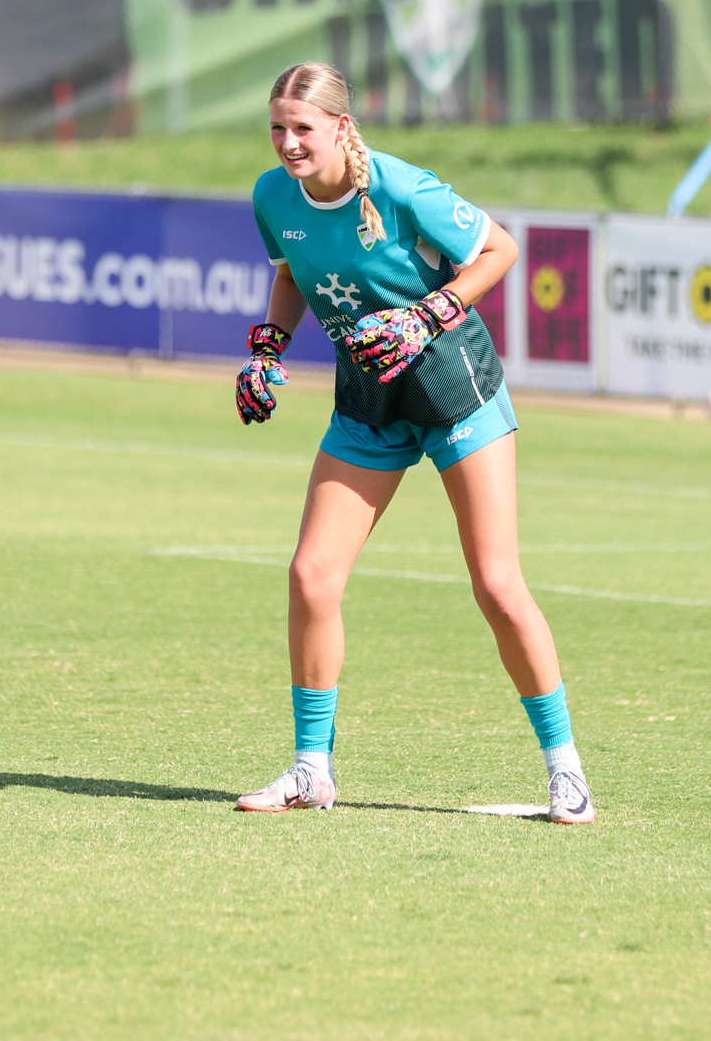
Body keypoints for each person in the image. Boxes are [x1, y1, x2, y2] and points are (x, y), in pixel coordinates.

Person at [232, 62, 594, 824]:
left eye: (303, 128)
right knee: (310, 577)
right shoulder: (271, 196)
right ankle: (310, 770)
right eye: (277, 128)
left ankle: (568, 774)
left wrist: (426, 315)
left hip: (455, 390)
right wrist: (267, 349)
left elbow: (499, 249)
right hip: (368, 401)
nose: (289, 143)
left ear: (340, 126)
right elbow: (293, 273)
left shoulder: (398, 187)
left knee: (497, 585)